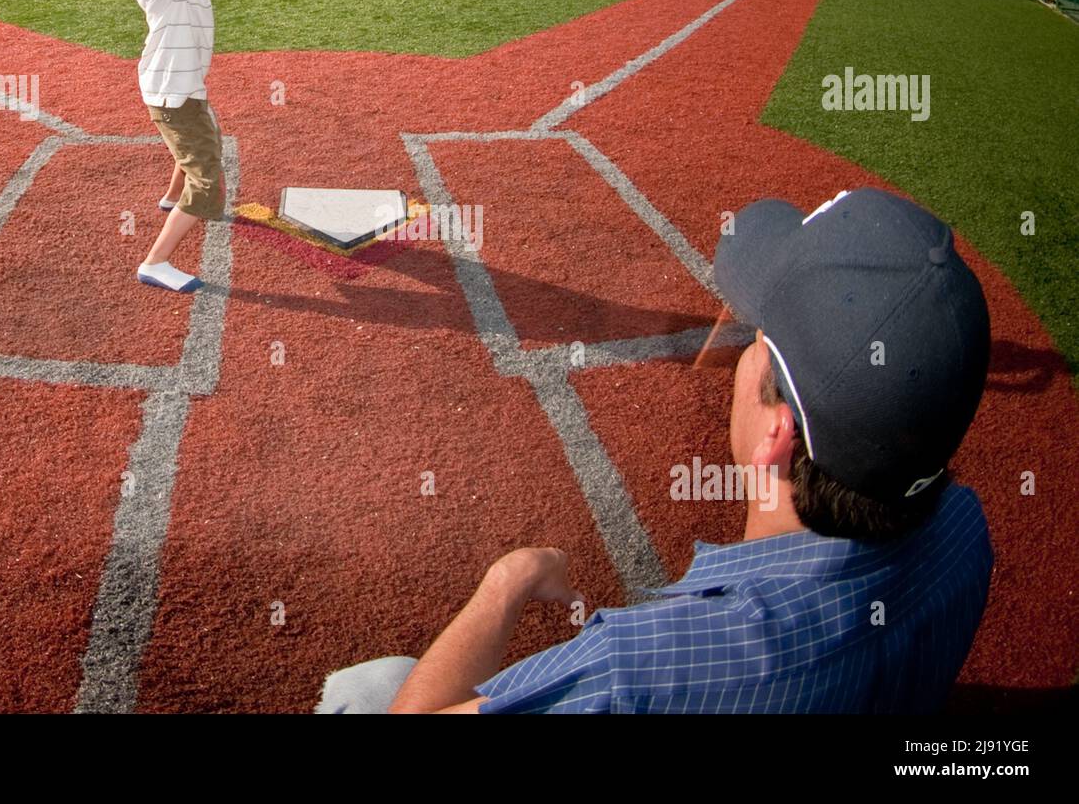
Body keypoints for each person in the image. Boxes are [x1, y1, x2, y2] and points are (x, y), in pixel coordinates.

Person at [317, 188, 994, 713]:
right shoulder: (966, 532)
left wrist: (507, 582)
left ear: (775, 433)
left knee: (375, 685)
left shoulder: (641, 669)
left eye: (755, 342)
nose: (741, 350)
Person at [129, 0, 242, 293]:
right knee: (208, 179)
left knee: (202, 137)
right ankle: (155, 262)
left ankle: (170, 198)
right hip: (170, 88)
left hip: (183, 82)